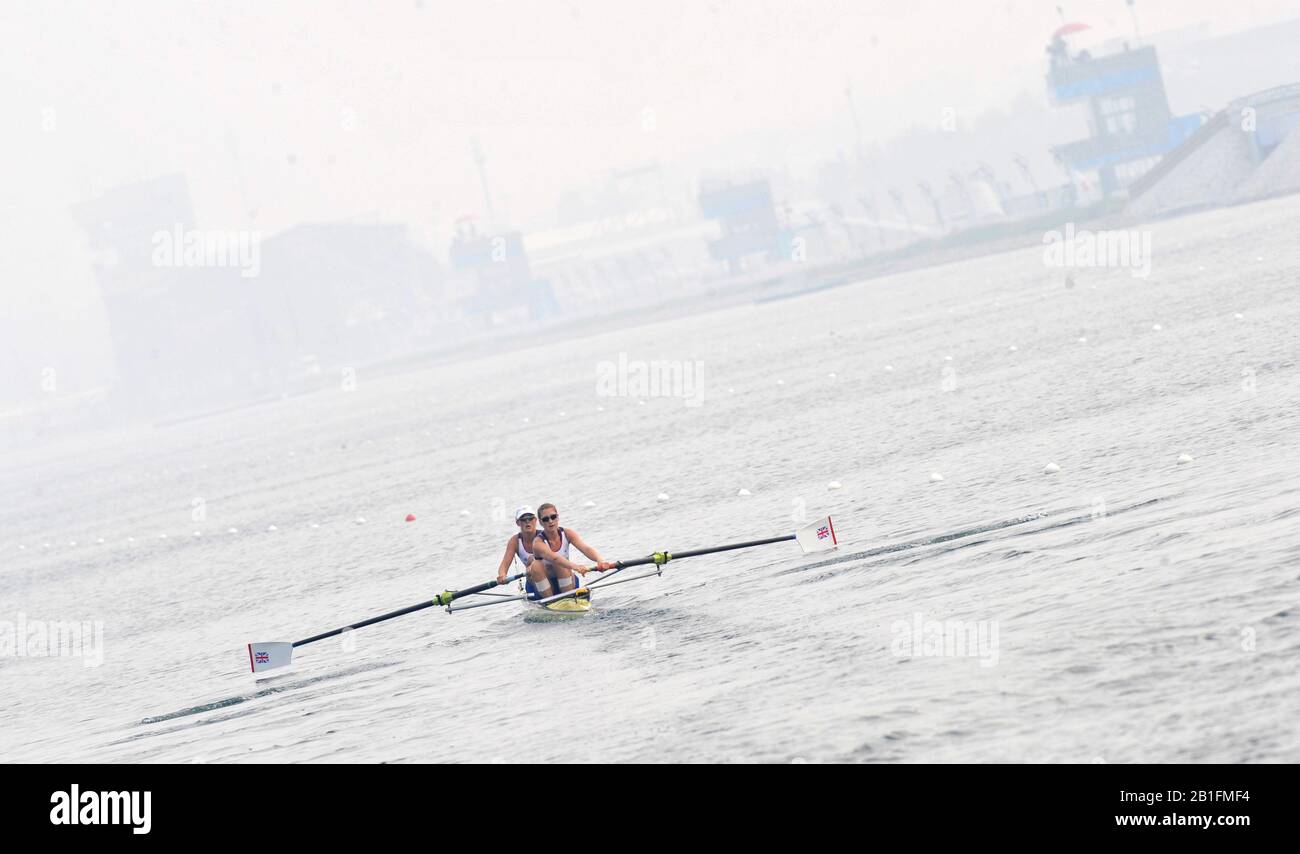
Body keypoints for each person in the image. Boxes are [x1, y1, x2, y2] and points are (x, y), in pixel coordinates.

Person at [524, 502, 613, 600]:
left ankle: (569, 598)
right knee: (536, 565)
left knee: (561, 564)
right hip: (546, 587)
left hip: (565, 579)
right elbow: (555, 558)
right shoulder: (538, 543)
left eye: (553, 517)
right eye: (546, 519)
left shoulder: (567, 533)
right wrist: (577, 567)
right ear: (540, 522)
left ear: (558, 517)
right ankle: (550, 601)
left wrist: (600, 560)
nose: (550, 521)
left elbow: (585, 548)